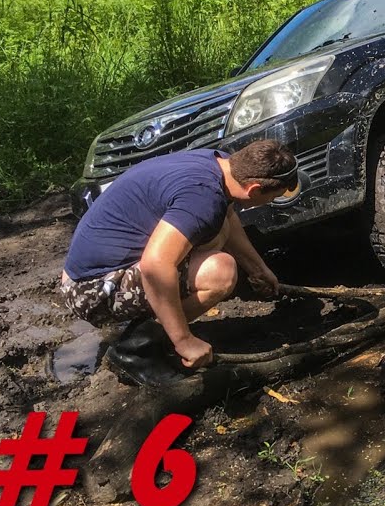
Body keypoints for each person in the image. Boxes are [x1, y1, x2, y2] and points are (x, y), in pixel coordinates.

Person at [60, 139, 297, 382]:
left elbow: (227, 216)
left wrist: (258, 269)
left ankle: (154, 324)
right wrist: (184, 341)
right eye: (271, 198)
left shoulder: (218, 165)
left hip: (99, 269)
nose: (269, 203)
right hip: (90, 291)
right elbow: (155, 266)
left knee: (219, 228)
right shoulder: (202, 199)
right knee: (220, 273)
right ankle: (137, 348)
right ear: (254, 189)